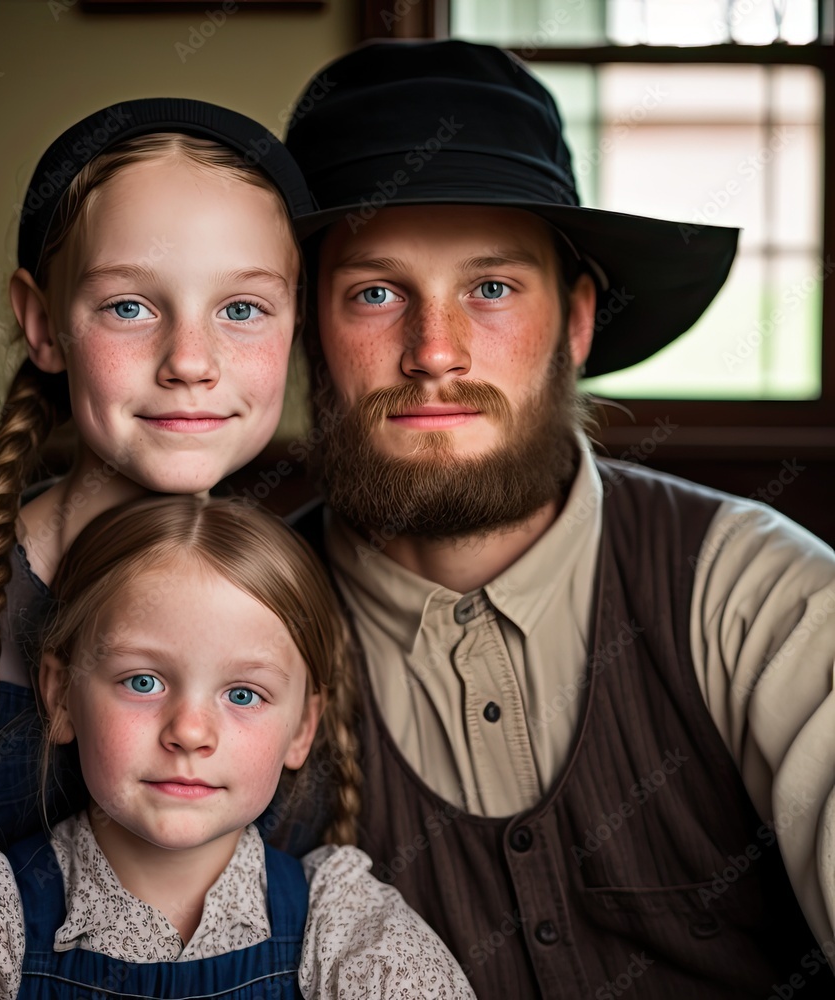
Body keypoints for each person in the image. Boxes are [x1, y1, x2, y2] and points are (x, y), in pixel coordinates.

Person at [279, 40, 835, 997]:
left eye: (491, 289)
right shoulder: (233, 621)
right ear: (304, 330)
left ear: (576, 320)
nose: (434, 352)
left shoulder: (757, 595)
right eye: (375, 293)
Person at [0, 96, 315, 986]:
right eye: (130, 306)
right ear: (43, 322)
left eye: (242, 309)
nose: (190, 360)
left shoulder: (310, 611)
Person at [0, 495, 475, 999]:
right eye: (143, 681)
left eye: (243, 694)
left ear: (302, 729)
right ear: (62, 696)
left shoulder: (348, 931)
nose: (189, 731)